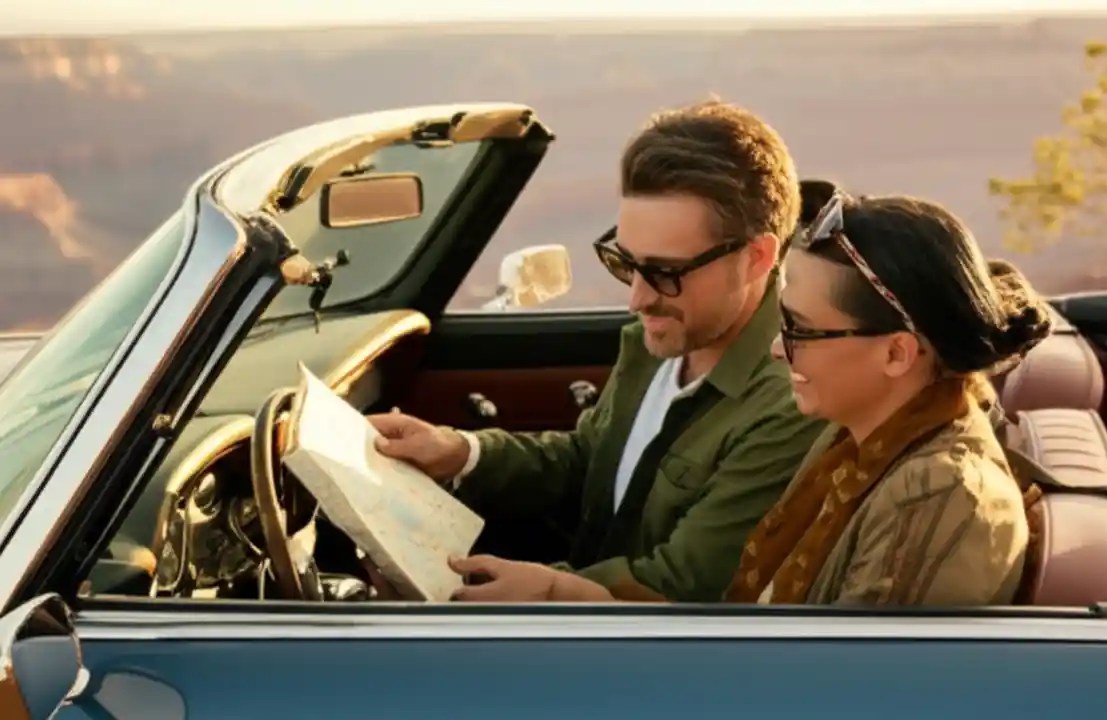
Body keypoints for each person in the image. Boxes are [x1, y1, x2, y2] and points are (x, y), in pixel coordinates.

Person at [447, 187, 1051, 606]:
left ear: (897, 354)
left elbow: (841, 695)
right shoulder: (859, 445)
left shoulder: (936, 496)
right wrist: (559, 593)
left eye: (802, 332)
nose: (776, 351)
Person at [369, 99, 826, 602]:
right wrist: (460, 453)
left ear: (757, 257)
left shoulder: (792, 401)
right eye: (624, 262)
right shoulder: (665, 337)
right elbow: (590, 459)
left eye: (665, 273)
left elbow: (681, 587)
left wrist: (542, 592)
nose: (637, 298)